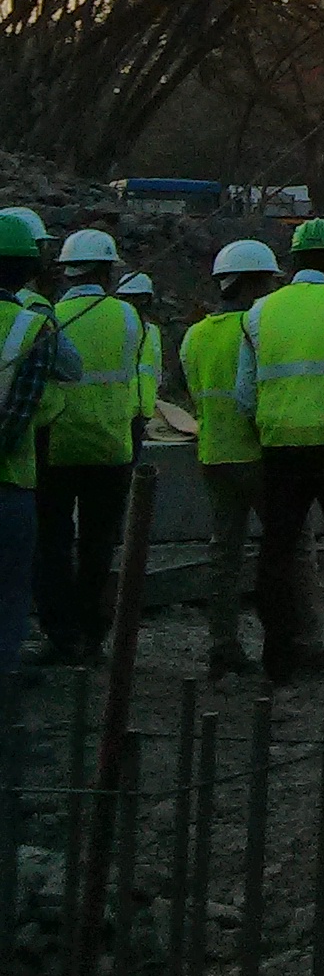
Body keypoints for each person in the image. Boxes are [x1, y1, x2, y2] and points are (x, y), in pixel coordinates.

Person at [234, 218, 324, 686]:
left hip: (280, 451)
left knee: (276, 556)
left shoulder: (257, 313)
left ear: (293, 261)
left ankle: (278, 660)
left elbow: (244, 397)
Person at [180, 240, 324, 684]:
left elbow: (192, 392)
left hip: (214, 457)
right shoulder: (258, 328)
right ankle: (304, 641)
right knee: (293, 549)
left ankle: (222, 646)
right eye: (267, 282)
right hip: (262, 456)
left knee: (223, 554)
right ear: (252, 282)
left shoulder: (195, 335)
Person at [34, 228, 145, 665]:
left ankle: (61, 636)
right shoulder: (129, 317)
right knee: (99, 545)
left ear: (65, 272)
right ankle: (95, 634)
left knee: (53, 544)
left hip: (58, 445)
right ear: (106, 270)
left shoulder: (53, 317)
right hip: (112, 446)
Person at [0, 213, 77, 685]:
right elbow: (22, 413)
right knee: (8, 597)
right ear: (31, 270)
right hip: (9, 488)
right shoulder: (33, 327)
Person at [116, 271, 164, 433]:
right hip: (121, 410)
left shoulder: (152, 331)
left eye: (139, 298)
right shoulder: (114, 330)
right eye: (127, 298)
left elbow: (155, 371)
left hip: (143, 412)